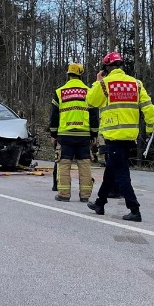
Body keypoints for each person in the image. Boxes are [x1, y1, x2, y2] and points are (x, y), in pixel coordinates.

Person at [85, 52, 154, 222]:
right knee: (111, 169)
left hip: (113, 135)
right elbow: (148, 108)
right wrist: (149, 128)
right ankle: (100, 202)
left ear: (106, 68)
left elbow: (90, 101)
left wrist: (98, 81)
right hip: (130, 135)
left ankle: (134, 208)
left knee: (122, 174)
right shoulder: (136, 84)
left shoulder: (105, 84)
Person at [49, 62, 99, 202]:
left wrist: (53, 135)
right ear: (81, 74)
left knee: (64, 164)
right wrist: (94, 134)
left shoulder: (60, 92)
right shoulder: (89, 92)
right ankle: (85, 195)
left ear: (68, 74)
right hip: (84, 135)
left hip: (65, 135)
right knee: (84, 164)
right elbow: (94, 115)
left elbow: (54, 116)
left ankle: (64, 194)